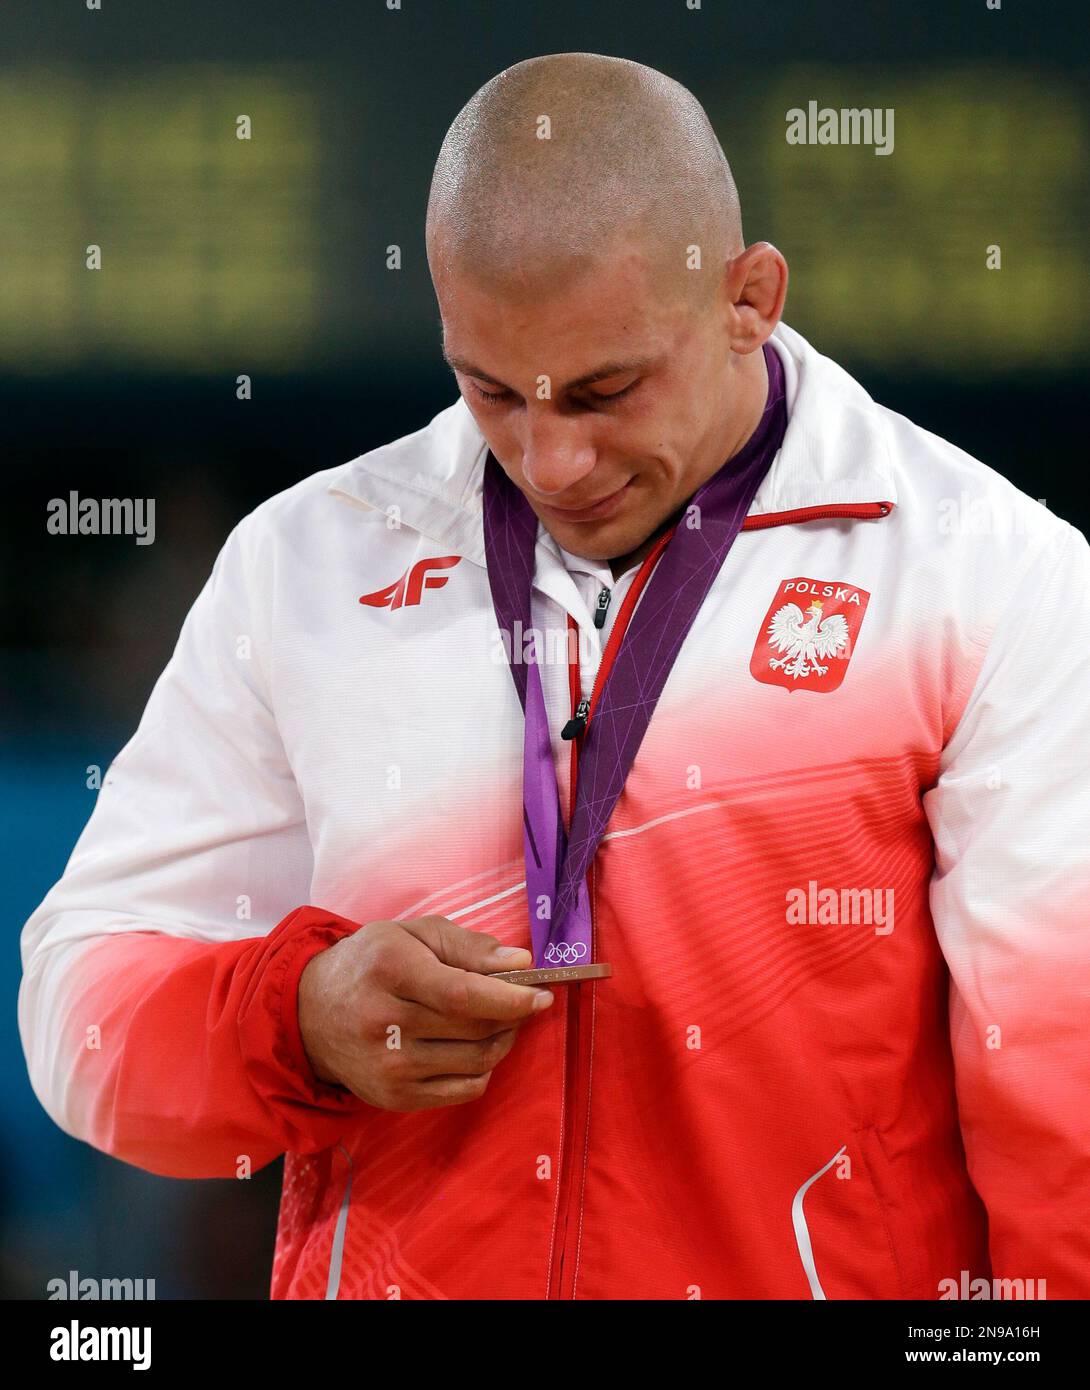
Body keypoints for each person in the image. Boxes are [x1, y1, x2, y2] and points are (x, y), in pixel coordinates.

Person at [19, 52, 1090, 1301]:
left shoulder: (984, 570)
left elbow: (1060, 1088)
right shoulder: (305, 566)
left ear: (748, 296)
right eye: (490, 390)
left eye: (605, 389)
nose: (551, 458)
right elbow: (79, 1013)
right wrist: (298, 1015)